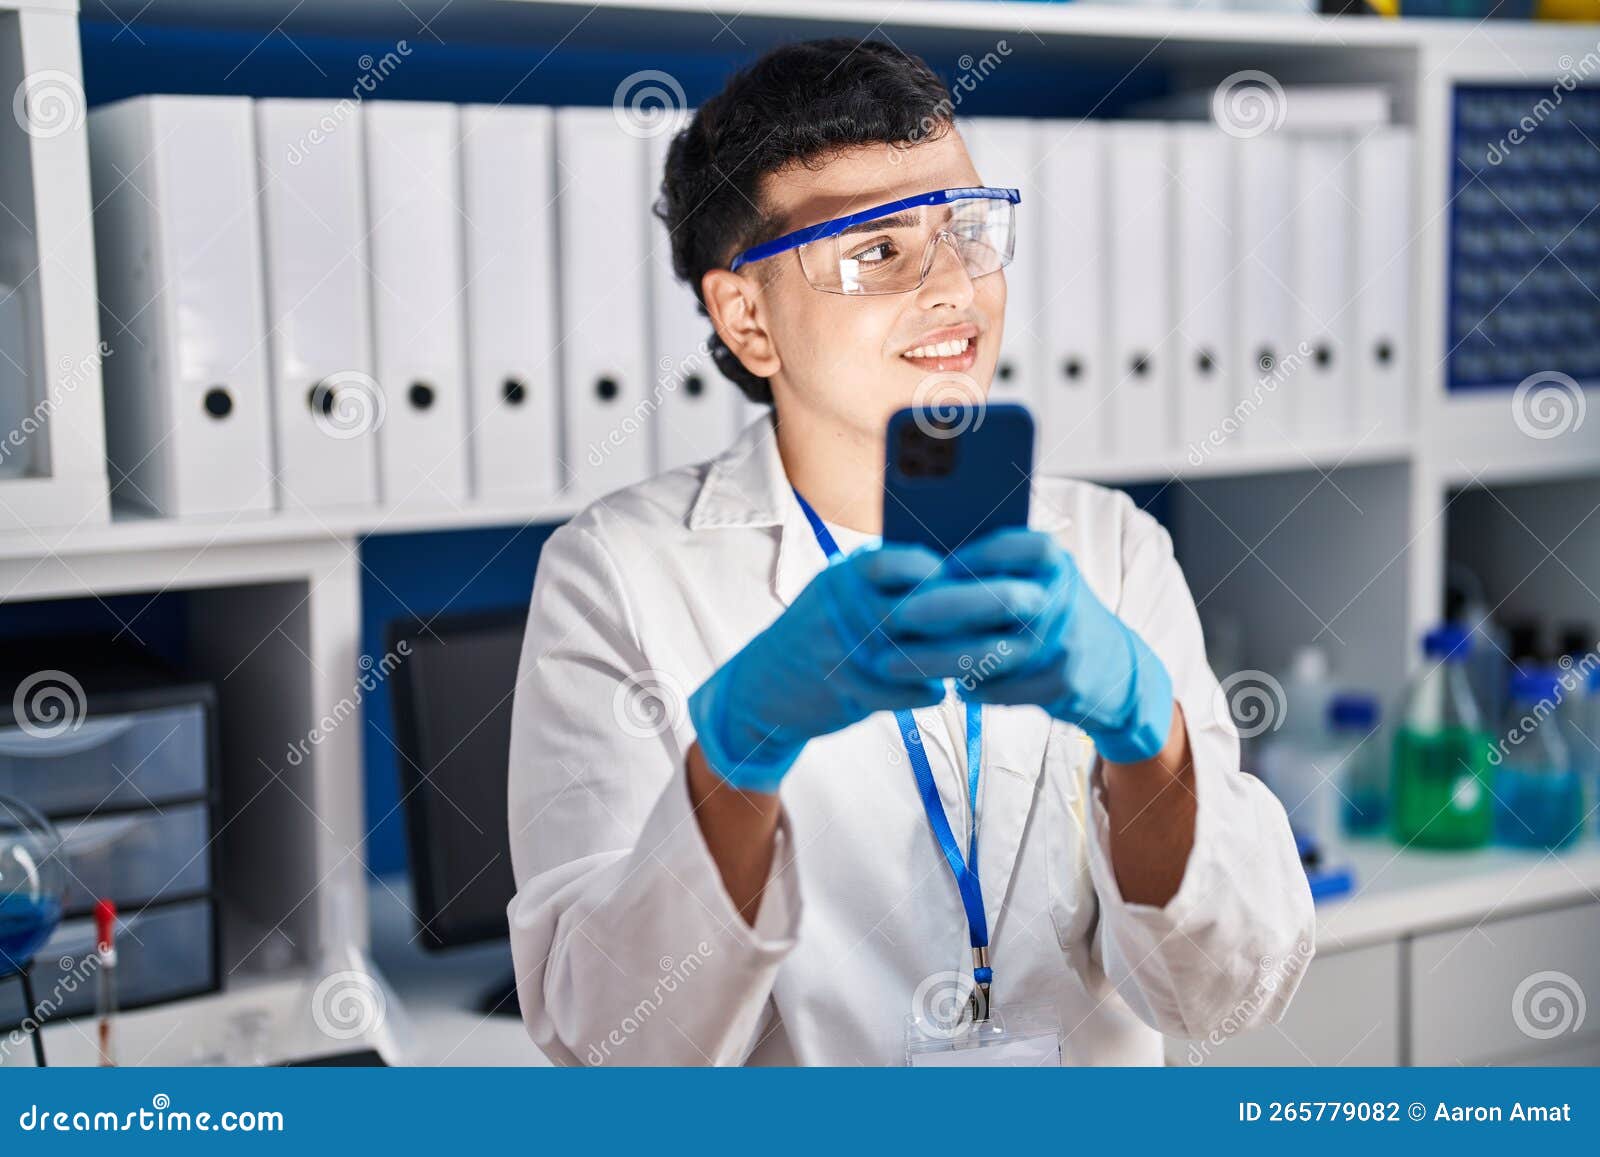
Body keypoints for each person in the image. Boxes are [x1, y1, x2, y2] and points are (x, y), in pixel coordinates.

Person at [506, 37, 1314, 1066]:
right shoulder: (616, 571)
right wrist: (738, 752)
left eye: (967, 230)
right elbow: (603, 1036)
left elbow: (1230, 989)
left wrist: (1145, 731)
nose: (953, 289)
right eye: (876, 250)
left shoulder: (1113, 547)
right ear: (747, 317)